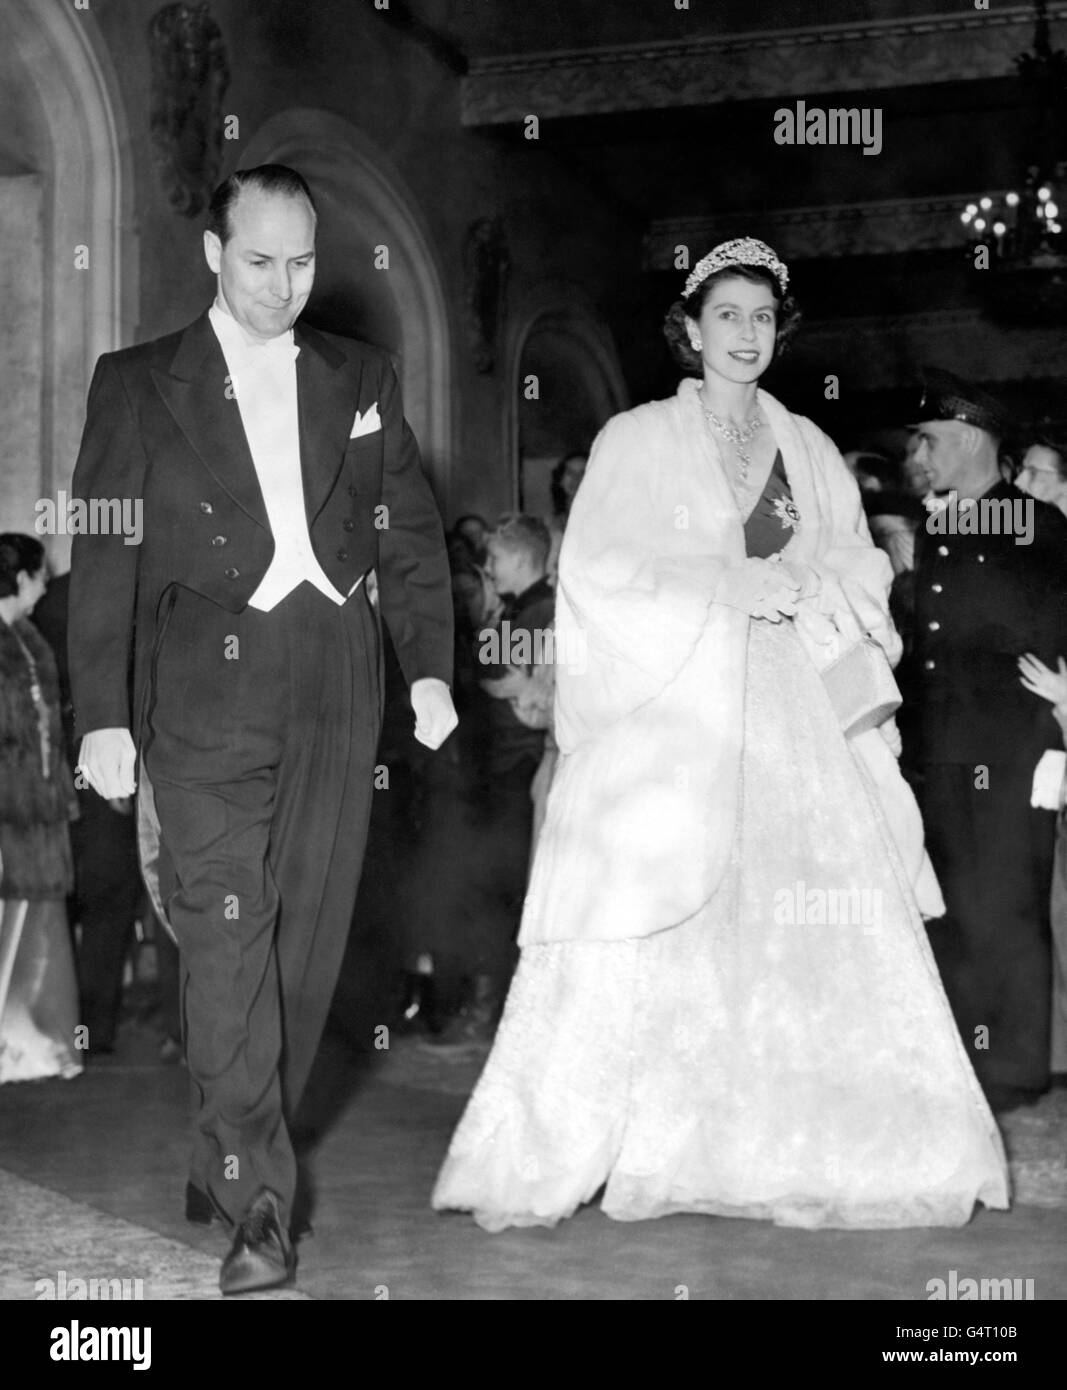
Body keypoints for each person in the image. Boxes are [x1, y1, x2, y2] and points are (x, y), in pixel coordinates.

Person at [432, 237, 1008, 1233]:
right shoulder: (633, 440)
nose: (742, 336)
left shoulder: (810, 450)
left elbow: (860, 569)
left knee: (806, 918)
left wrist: (814, 586)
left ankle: (795, 1138)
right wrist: (718, 584)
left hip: (791, 705)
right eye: (723, 317)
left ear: (776, 332)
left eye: (758, 318)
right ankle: (630, 1131)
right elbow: (599, 575)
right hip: (672, 710)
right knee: (655, 912)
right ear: (689, 330)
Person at [68, 164, 456, 1293]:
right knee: (229, 936)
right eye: (258, 261)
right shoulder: (137, 383)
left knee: (302, 951)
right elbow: (104, 556)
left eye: (300, 262)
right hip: (204, 686)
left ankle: (224, 1146)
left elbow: (409, 535)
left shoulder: (359, 372)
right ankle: (260, 1204)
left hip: (337, 678)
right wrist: (102, 715)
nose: (283, 285)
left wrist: (427, 669)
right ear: (210, 253)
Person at [906, 370, 1067, 1113]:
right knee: (952, 904)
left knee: (1004, 903)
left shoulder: (1034, 524)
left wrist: (1059, 723)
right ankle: (964, 1059)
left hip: (1008, 746)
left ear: (969, 437)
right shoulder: (939, 525)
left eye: (930, 440)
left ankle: (1011, 1069)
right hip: (939, 743)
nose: (920, 454)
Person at [32, 571, 142, 1057]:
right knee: (108, 907)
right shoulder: (123, 595)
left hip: (48, 787)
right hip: (102, 772)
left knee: (53, 910)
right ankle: (94, 1029)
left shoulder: (43, 606)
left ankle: (51, 1024)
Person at [0, 535, 82, 1084]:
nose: (48, 583)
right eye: (39, 573)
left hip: (34, 809)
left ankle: (21, 1042)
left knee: (33, 920)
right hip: (8, 807)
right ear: (20, 578)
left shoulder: (28, 639)